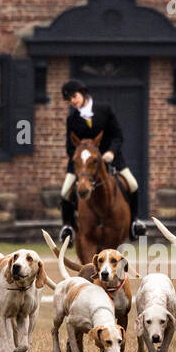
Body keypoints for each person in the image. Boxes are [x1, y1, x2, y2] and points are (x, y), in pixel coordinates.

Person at [57, 79, 139, 245]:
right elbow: (69, 146)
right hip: (82, 165)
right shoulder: (71, 119)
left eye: (74, 96)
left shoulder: (104, 110)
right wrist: (79, 158)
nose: (73, 101)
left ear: (83, 93)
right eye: (69, 99)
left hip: (111, 159)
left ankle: (134, 223)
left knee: (133, 184)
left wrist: (110, 153)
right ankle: (68, 227)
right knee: (65, 191)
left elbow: (117, 136)